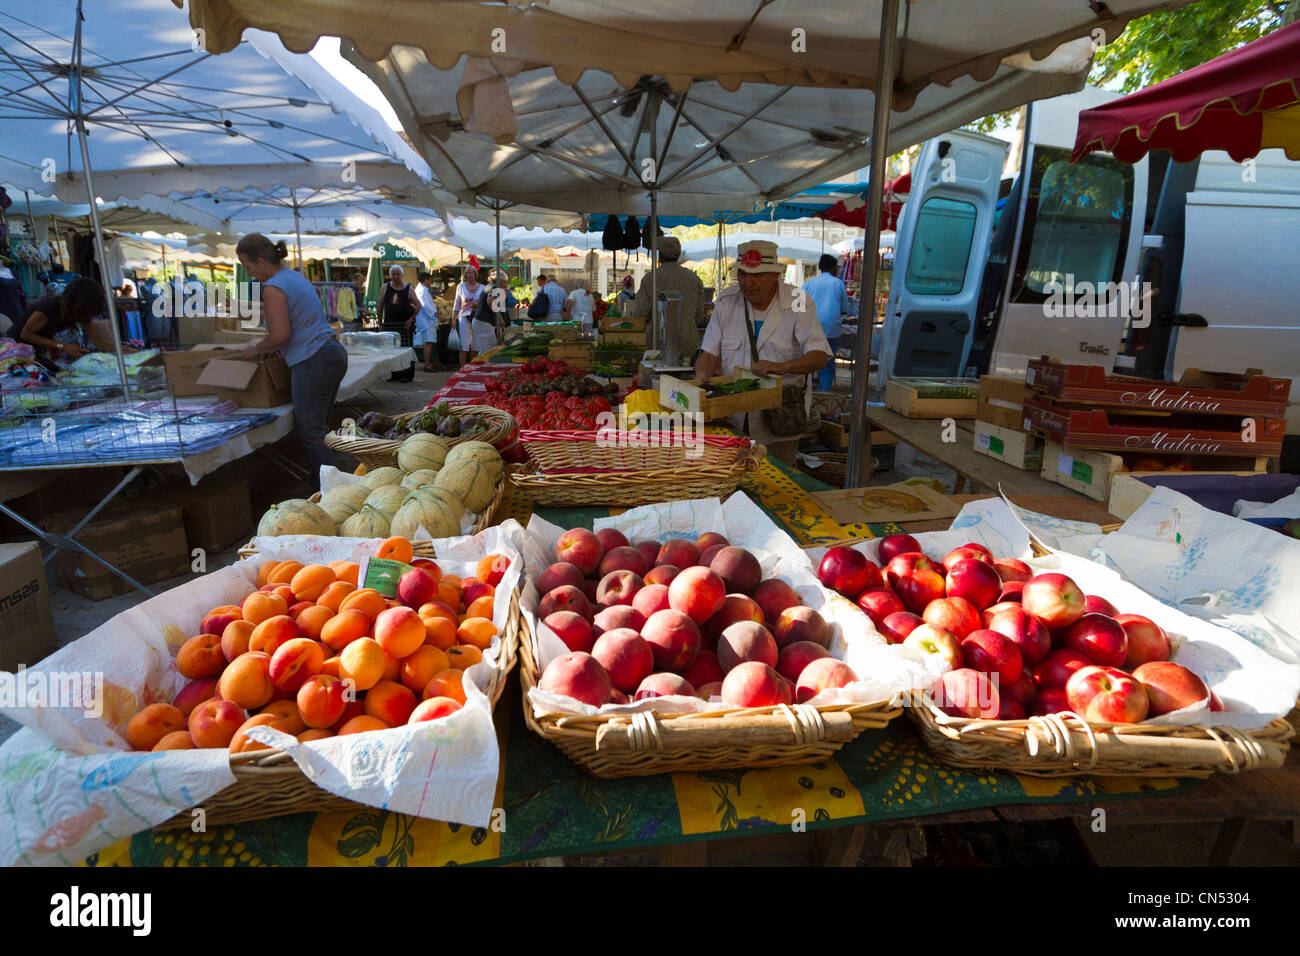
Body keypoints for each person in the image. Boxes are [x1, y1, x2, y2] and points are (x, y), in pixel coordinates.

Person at [695, 240, 829, 462]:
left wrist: (783, 366)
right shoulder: (727, 302)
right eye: (743, 275)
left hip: (780, 421)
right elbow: (708, 354)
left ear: (775, 275)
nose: (748, 283)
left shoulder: (798, 302)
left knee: (778, 486)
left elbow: (819, 356)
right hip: (732, 419)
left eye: (757, 276)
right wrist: (701, 378)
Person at [235, 233, 348, 485]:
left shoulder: (274, 287)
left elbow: (280, 335)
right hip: (330, 352)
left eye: (248, 266)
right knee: (319, 428)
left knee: (311, 431)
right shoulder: (294, 277)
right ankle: (324, 481)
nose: (249, 272)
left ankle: (330, 491)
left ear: (262, 261)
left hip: (313, 359)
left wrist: (255, 349)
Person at [15, 277, 124, 368]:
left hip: (36, 353)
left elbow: (96, 340)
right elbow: (26, 335)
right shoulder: (47, 309)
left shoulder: (80, 313)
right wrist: (63, 346)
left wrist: (119, 348)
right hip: (15, 351)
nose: (87, 316)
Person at [633, 236, 704, 359]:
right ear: (678, 255)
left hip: (658, 343)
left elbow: (641, 313)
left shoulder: (650, 279)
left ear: (660, 256)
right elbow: (699, 314)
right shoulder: (694, 278)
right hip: (688, 343)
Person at [803, 253, 858, 391]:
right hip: (831, 328)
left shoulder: (809, 283)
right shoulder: (838, 283)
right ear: (833, 268)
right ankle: (824, 390)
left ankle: (805, 388)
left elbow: (799, 305)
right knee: (827, 361)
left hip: (810, 327)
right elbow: (845, 309)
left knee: (808, 360)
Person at [410, 271, 442, 372]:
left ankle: (430, 363)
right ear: (425, 280)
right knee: (429, 343)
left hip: (425, 319)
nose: (430, 282)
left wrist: (434, 307)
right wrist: (436, 314)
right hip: (427, 320)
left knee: (429, 343)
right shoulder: (423, 290)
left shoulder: (420, 289)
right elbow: (425, 305)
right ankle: (427, 365)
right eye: (429, 280)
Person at [453, 266, 485, 365]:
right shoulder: (461, 286)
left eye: (472, 273)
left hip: (477, 317)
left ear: (475, 274)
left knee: (475, 346)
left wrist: (478, 303)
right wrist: (453, 319)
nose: (470, 275)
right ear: (465, 275)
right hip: (464, 317)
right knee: (464, 345)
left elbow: (486, 304)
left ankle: (473, 368)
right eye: (467, 273)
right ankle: (462, 369)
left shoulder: (483, 287)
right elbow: (457, 303)